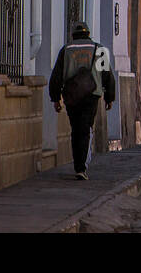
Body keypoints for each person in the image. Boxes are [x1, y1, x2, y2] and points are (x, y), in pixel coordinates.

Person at [48, 22, 115, 180]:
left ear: (73, 35)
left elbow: (56, 76)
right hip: (91, 95)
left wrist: (55, 98)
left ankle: (78, 164)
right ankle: (81, 167)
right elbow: (107, 75)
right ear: (88, 34)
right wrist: (109, 98)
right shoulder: (99, 49)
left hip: (71, 96)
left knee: (75, 129)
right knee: (85, 128)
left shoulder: (66, 50)